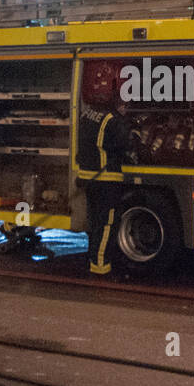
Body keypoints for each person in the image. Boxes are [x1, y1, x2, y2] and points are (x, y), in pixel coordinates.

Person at [76, 62, 129, 275]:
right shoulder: (113, 120)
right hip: (107, 180)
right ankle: (100, 266)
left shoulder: (87, 115)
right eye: (124, 103)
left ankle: (93, 260)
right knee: (107, 224)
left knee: (95, 224)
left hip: (89, 179)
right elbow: (125, 145)